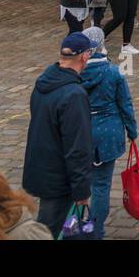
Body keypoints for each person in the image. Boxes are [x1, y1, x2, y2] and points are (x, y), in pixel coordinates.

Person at [22, 32, 94, 237]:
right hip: (59, 179)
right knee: (50, 230)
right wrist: (82, 191)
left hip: (41, 168)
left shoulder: (43, 82)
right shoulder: (74, 95)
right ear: (85, 56)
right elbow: (78, 147)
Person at [78, 26, 137, 238]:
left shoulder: (75, 72)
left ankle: (76, 227)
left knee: (78, 184)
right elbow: (125, 104)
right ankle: (96, 230)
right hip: (108, 133)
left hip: (80, 133)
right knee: (101, 186)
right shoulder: (113, 72)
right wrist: (132, 131)